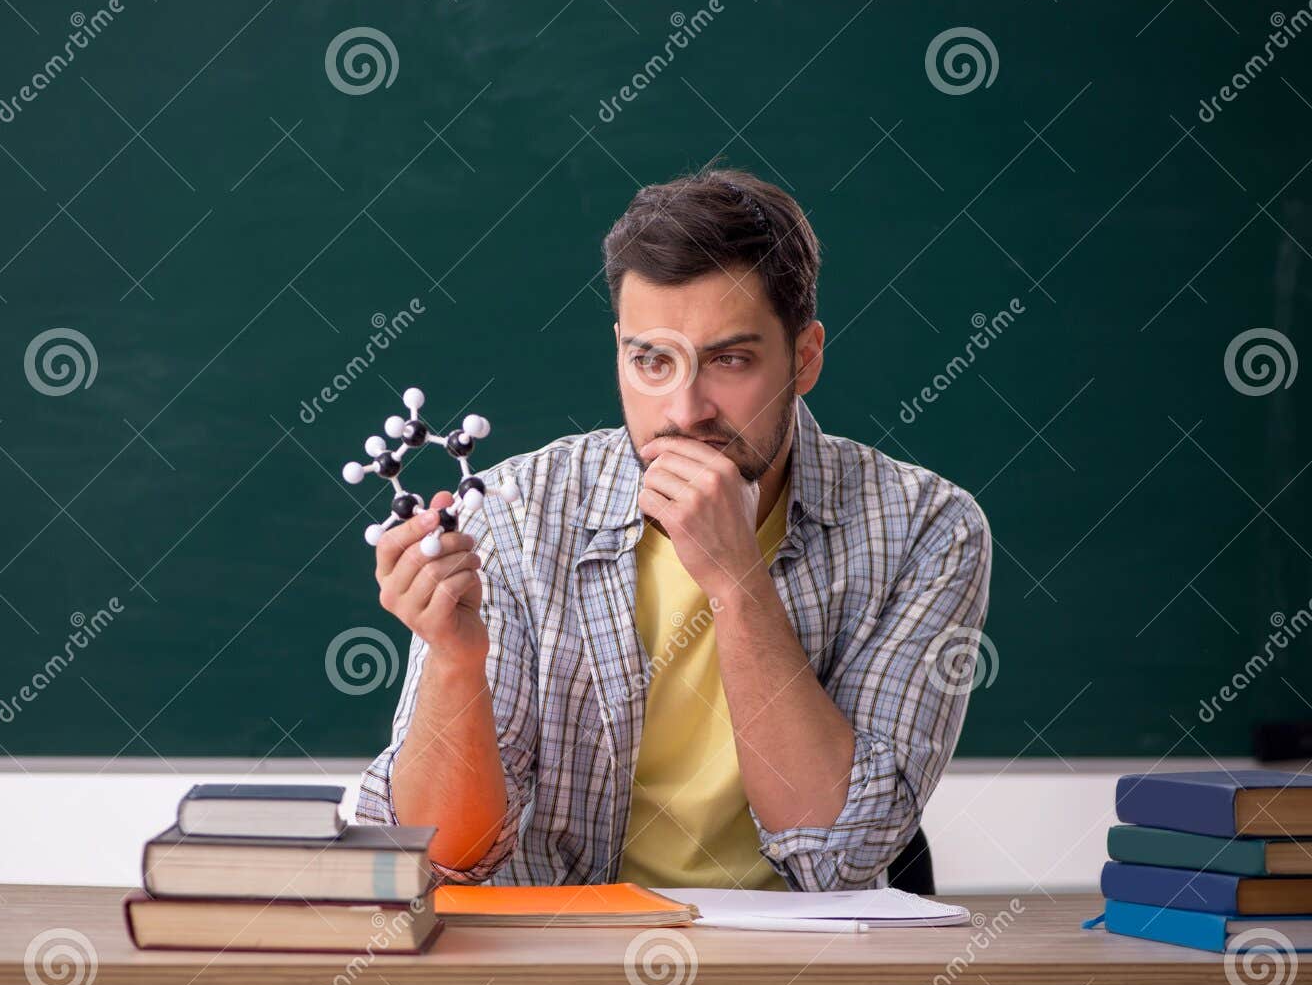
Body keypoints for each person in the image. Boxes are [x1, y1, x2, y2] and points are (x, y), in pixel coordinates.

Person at [354, 167, 992, 891]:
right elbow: (443, 861)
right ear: (619, 352)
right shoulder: (512, 511)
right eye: (651, 360)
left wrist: (737, 580)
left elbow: (835, 854)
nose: (686, 410)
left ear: (805, 358)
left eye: (729, 360)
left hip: (793, 976)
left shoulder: (927, 530)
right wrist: (456, 662)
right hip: (559, 969)